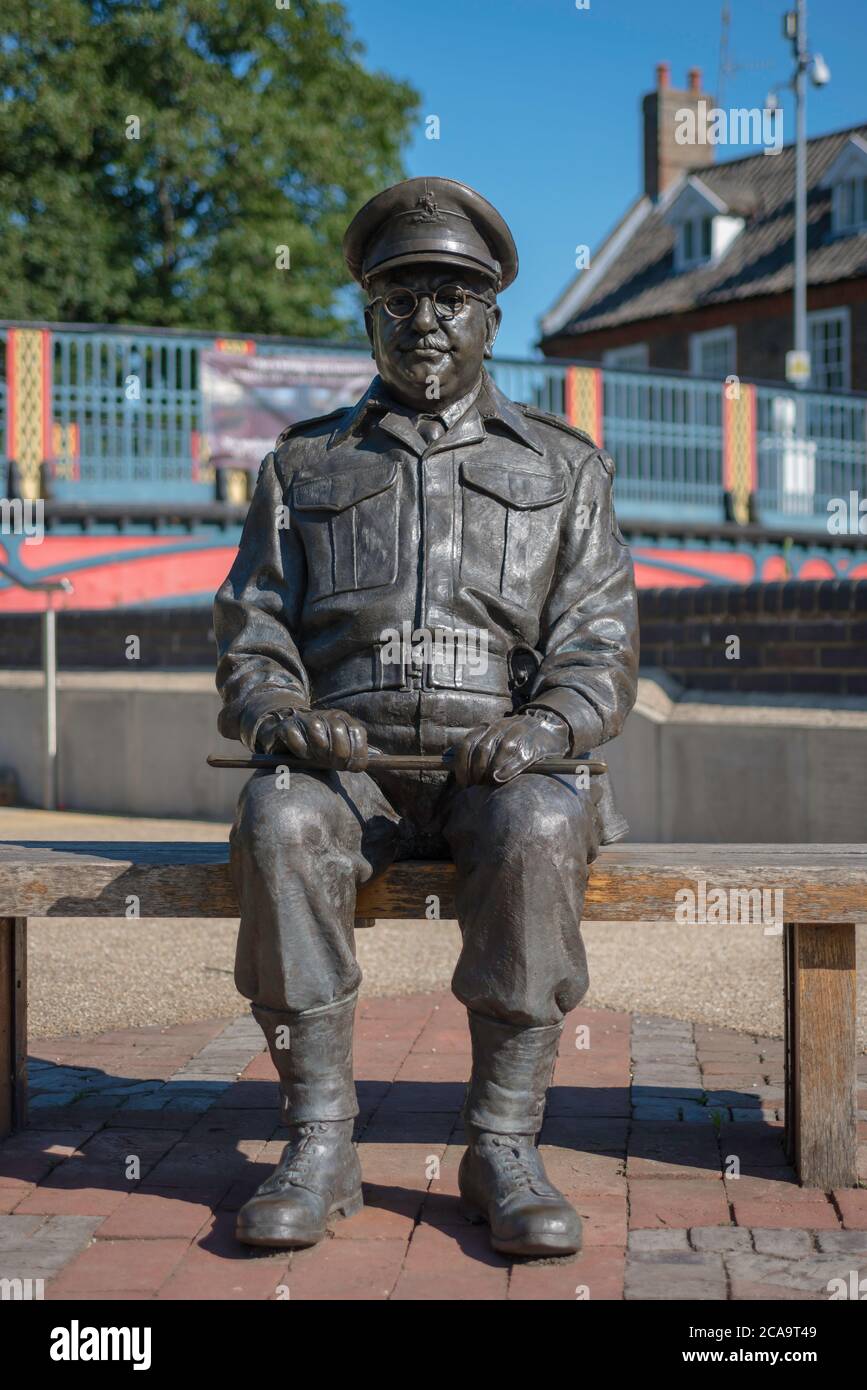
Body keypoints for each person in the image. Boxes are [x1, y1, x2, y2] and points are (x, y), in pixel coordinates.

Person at [214, 176, 639, 1258]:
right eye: (399, 298)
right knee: (279, 819)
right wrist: (282, 715)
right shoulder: (302, 463)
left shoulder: (563, 467)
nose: (426, 321)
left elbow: (599, 649)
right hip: (347, 770)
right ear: (369, 316)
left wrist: (544, 730)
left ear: (491, 316)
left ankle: (503, 1145)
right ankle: (319, 1143)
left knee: (539, 823)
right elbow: (252, 631)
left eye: (452, 297)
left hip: (500, 770)